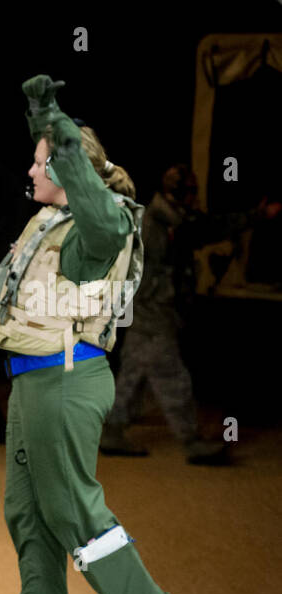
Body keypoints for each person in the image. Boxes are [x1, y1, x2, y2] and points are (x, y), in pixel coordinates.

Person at [0, 75, 197, 594]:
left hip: (66, 381)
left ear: (70, 171)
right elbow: (49, 291)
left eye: (43, 162)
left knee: (71, 505)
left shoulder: (100, 224)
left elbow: (98, 226)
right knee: (28, 508)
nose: (32, 170)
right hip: (33, 378)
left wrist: (61, 131)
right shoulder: (48, 221)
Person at [101, 165, 229, 464]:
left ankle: (113, 431)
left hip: (149, 311)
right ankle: (191, 441)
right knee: (172, 376)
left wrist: (255, 217)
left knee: (132, 375)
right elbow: (143, 275)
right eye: (191, 192)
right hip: (153, 313)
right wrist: (169, 298)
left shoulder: (172, 218)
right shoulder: (155, 224)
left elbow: (209, 228)